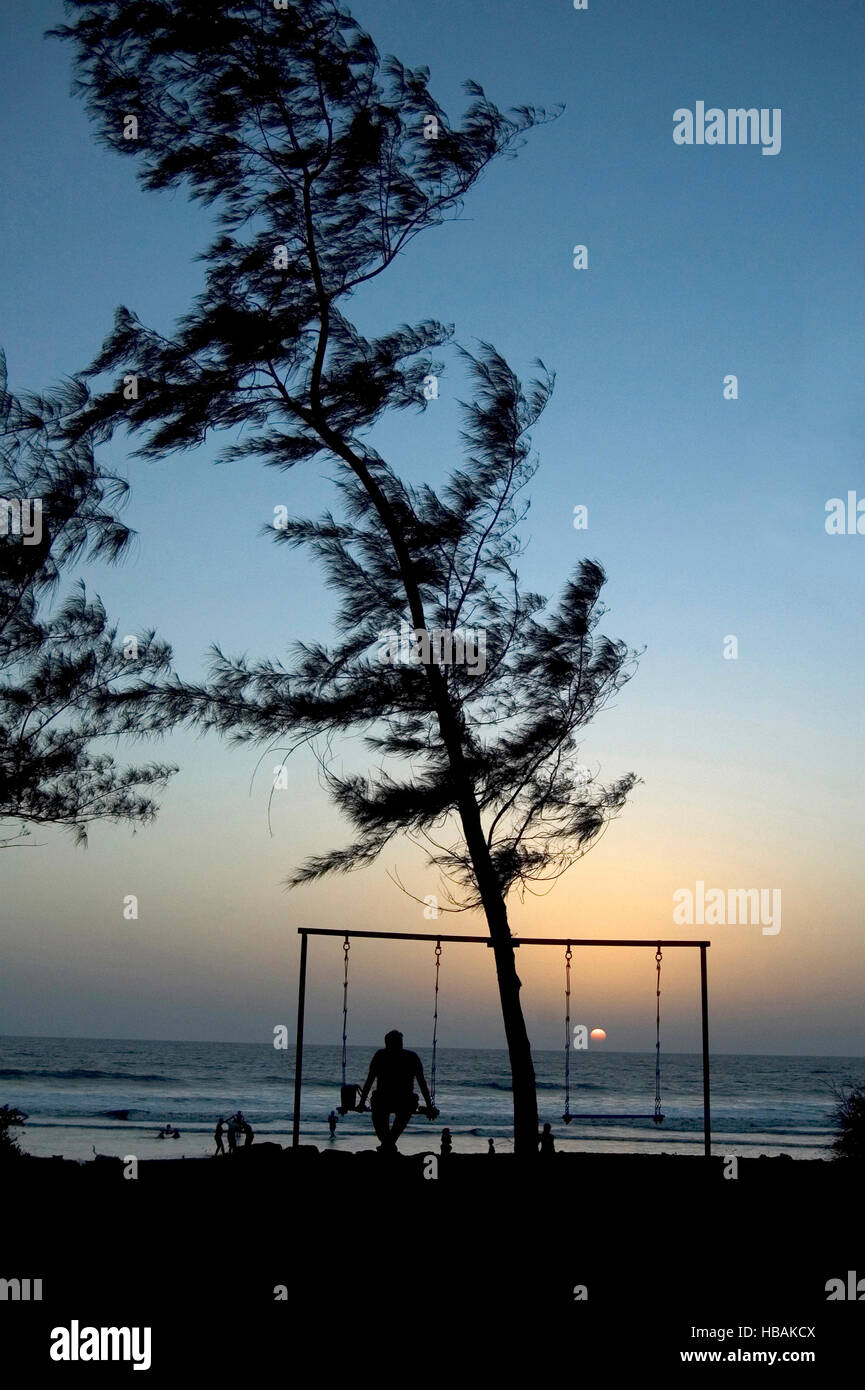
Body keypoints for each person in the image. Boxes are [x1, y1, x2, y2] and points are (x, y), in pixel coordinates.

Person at [357, 1030, 438, 1153]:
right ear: (387, 1044)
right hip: (388, 1100)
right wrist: (362, 1103)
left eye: (399, 1043)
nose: (398, 1045)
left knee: (399, 1110)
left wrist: (429, 1106)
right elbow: (369, 1081)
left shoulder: (408, 1057)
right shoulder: (386, 1056)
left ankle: (387, 1145)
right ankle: (388, 1145)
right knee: (383, 1119)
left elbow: (422, 1083)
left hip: (400, 1101)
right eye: (396, 1043)